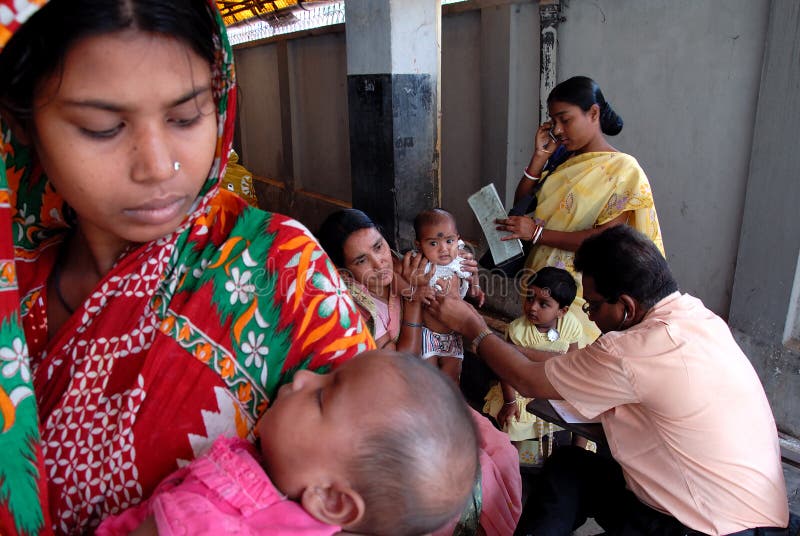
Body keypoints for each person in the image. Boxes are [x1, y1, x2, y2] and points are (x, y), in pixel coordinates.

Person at [0, 1, 373, 534]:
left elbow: (381, 494)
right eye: (102, 127)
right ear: (23, 124)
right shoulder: (15, 285)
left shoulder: (279, 270)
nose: (158, 166)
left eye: (186, 117)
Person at [428, 225, 789, 535]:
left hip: (704, 525)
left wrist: (473, 328)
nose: (592, 316)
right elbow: (575, 363)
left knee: (569, 474)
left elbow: (528, 381)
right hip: (758, 509)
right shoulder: (697, 317)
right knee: (569, 470)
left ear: (627, 307)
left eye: (594, 307)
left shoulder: (631, 350)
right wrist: (504, 341)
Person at [96, 350, 479, 536]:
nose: (303, 377)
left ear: (330, 498)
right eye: (327, 374)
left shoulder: (214, 522)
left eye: (321, 397)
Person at [318, 208, 523, 536]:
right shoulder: (356, 308)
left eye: (379, 247)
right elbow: (403, 364)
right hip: (393, 406)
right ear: (344, 270)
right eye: (361, 261)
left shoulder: (403, 265)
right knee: (457, 479)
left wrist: (464, 272)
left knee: (500, 450)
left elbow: (448, 274)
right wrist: (413, 298)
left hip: (429, 391)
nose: (378, 262)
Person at [496, 75, 664, 347]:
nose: (558, 130)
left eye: (566, 119)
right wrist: (539, 159)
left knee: (564, 363)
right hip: (539, 280)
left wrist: (538, 233)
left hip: (577, 289)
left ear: (593, 113)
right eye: (554, 121)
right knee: (531, 359)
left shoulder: (623, 169)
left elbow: (604, 240)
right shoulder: (563, 162)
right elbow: (524, 205)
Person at [482, 266, 580, 463]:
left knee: (582, 413)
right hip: (520, 385)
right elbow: (506, 368)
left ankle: (575, 460)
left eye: (543, 304)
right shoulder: (518, 329)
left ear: (562, 311)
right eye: (529, 298)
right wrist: (510, 401)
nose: (532, 307)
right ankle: (511, 462)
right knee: (515, 422)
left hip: (555, 386)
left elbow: (573, 360)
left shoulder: (571, 325)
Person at [413, 208, 484, 383]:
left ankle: (450, 407)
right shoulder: (420, 266)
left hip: (453, 334)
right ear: (419, 244)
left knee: (452, 378)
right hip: (427, 333)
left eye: (449, 241)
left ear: (458, 239)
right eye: (433, 243)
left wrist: (476, 288)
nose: (443, 249)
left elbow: (471, 275)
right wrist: (416, 290)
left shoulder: (460, 262)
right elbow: (405, 285)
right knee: (428, 378)